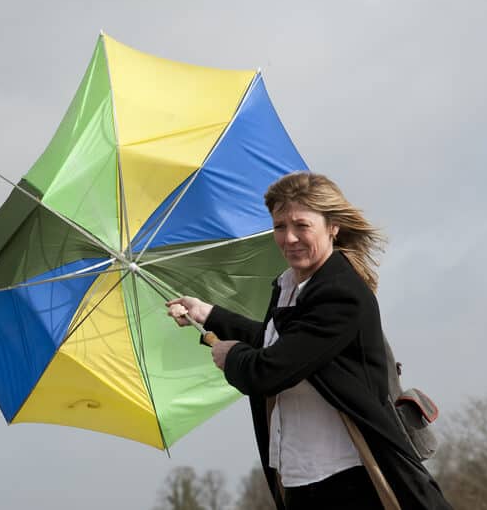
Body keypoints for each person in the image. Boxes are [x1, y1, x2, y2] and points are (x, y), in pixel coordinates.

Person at [167, 171, 451, 510]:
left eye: (302, 225)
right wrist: (208, 315)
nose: (289, 238)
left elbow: (271, 370)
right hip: (300, 478)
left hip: (351, 478)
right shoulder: (290, 287)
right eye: (279, 226)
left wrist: (232, 357)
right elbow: (275, 342)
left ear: (332, 226)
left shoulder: (340, 293)